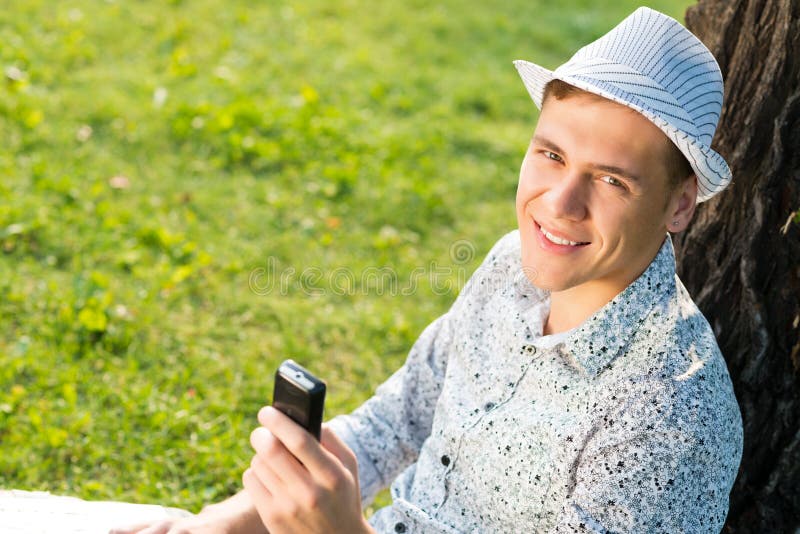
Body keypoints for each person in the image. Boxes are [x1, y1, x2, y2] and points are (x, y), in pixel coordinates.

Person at [113, 6, 744, 533]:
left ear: (679, 204)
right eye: (551, 155)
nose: (560, 204)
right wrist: (213, 525)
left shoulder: (675, 416)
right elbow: (400, 418)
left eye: (611, 180)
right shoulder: (508, 268)